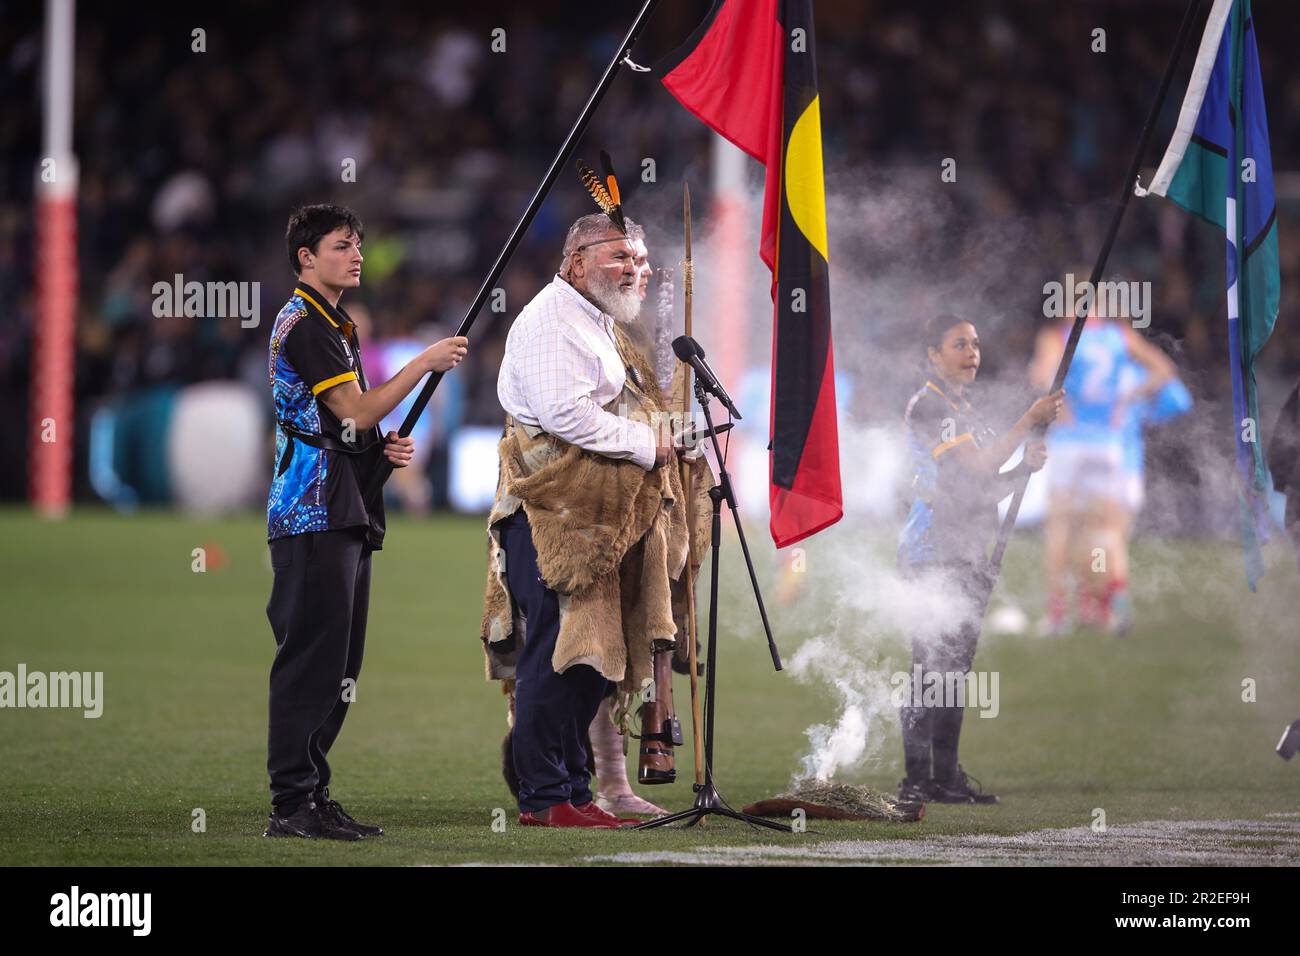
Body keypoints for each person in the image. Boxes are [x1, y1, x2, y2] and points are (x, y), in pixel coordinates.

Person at [480, 212, 704, 829]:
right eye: (617, 257)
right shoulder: (554, 322)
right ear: (575, 262)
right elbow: (564, 416)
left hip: (590, 519)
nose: (634, 268)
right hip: (553, 515)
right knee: (555, 653)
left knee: (587, 657)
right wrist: (647, 443)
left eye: (638, 259)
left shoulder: (594, 319)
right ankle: (546, 798)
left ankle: (574, 790)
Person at [264, 203, 468, 839]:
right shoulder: (305, 323)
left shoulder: (336, 323)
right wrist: (420, 365)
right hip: (312, 507)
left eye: (357, 245)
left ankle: (314, 794)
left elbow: (346, 425)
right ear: (306, 257)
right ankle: (291, 803)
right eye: (342, 246)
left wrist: (379, 448)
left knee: (341, 665)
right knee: (312, 661)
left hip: (342, 502)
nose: (356, 255)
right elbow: (349, 411)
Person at [897, 313, 1062, 804]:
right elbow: (973, 469)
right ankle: (916, 778)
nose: (972, 352)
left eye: (975, 343)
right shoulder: (932, 406)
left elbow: (982, 487)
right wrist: (1028, 422)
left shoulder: (962, 406)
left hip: (967, 550)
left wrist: (1020, 472)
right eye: (958, 344)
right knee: (929, 668)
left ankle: (945, 778)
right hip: (932, 552)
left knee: (954, 668)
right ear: (932, 355)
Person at [1030, 309, 1176, 634]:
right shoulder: (1120, 336)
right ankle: (1108, 608)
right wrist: (1128, 399)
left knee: (1061, 528)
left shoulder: (1057, 336)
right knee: (1104, 531)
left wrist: (1062, 407)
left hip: (1069, 441)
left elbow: (1042, 377)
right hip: (1108, 444)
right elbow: (1164, 370)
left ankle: (1057, 615)